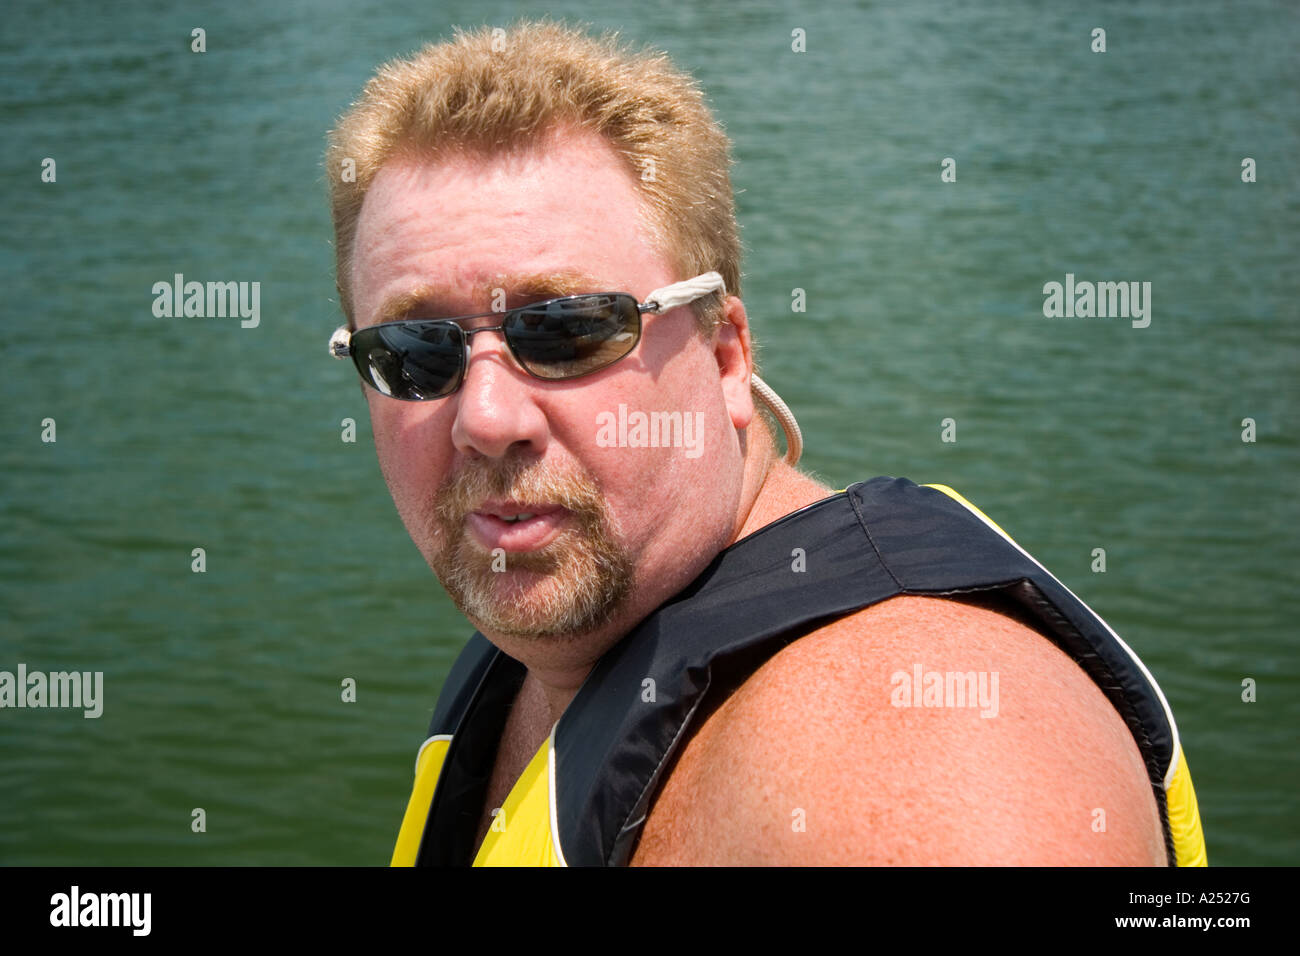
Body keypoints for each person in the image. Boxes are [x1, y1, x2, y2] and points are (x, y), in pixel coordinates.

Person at [325, 20, 1206, 866]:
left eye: (566, 331)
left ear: (724, 356)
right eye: (414, 353)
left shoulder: (918, 747)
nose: (485, 417)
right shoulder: (554, 643)